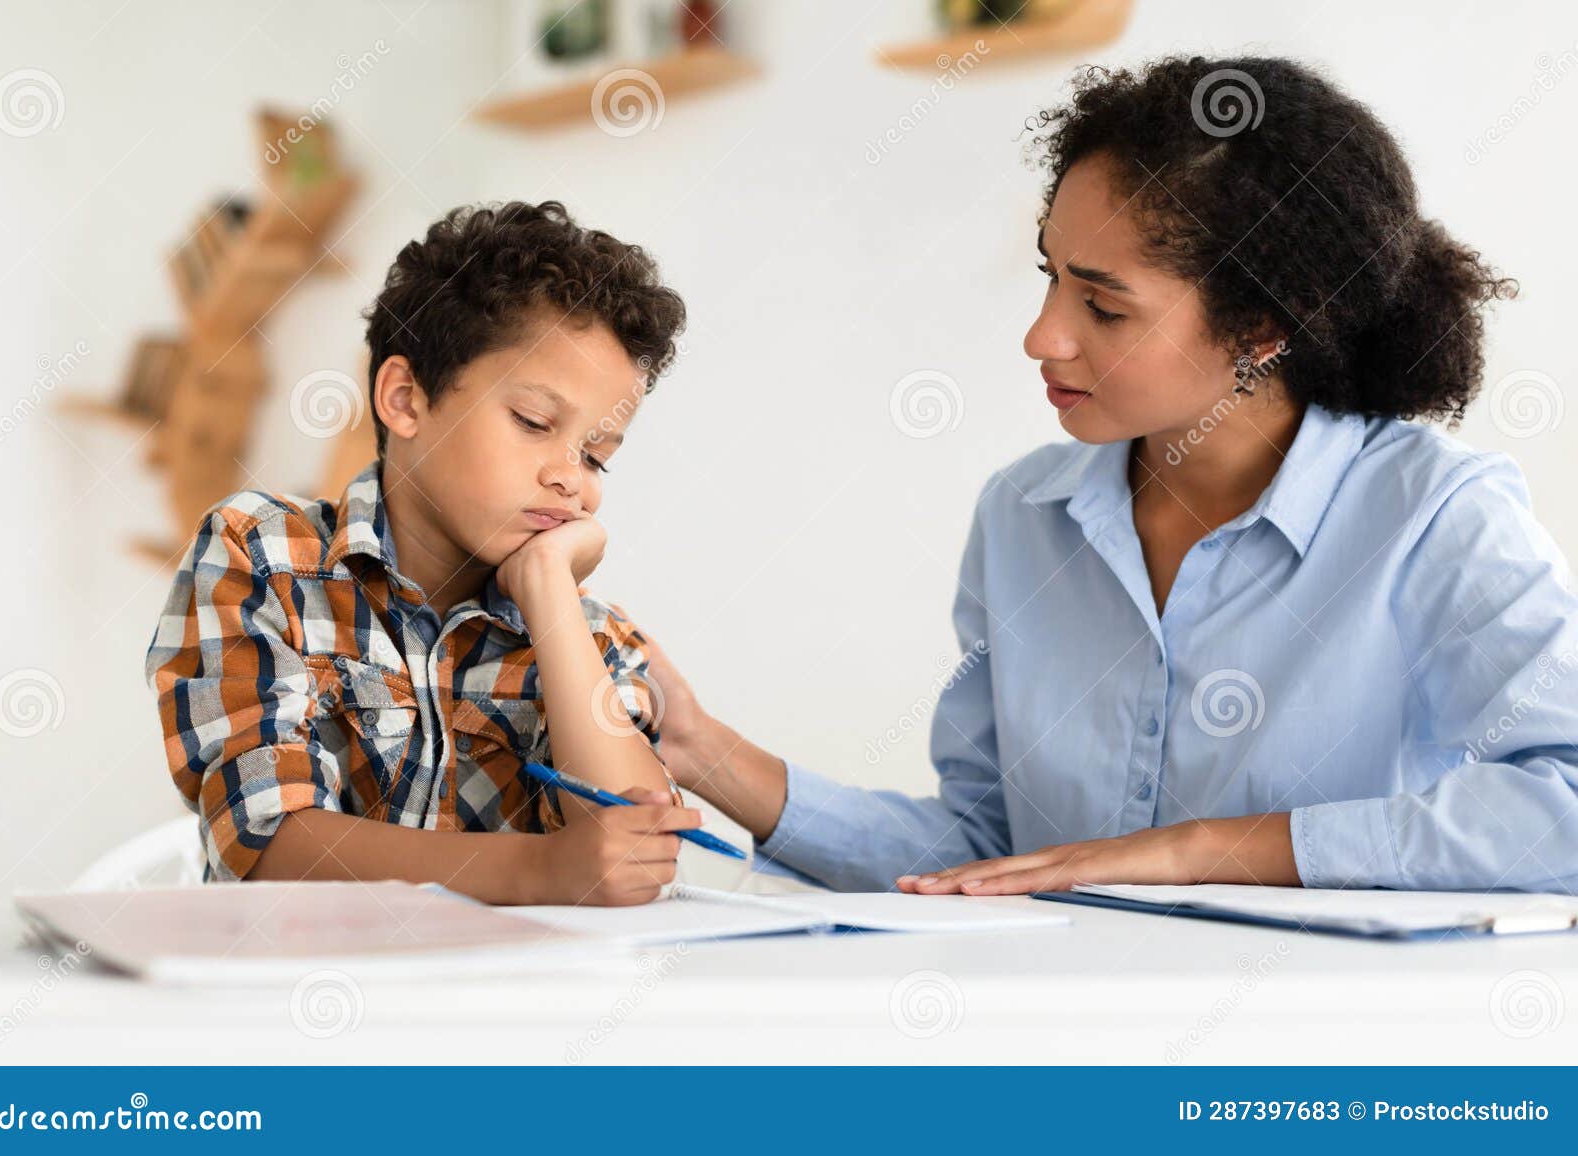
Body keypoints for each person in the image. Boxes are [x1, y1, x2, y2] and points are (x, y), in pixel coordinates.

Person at [645, 56, 1578, 896]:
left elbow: (1563, 809)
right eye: (1049, 277)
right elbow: (988, 848)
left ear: (1260, 331)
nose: (1042, 337)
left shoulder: (1433, 515)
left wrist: (1203, 849)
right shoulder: (1024, 515)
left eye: (1102, 305)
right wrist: (703, 750)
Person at [146, 201, 702, 906]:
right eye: (534, 423)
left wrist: (552, 601)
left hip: (510, 1003)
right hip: (287, 997)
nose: (571, 477)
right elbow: (267, 840)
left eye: (597, 457)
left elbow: (636, 854)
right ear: (405, 399)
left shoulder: (583, 633)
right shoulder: (263, 555)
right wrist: (538, 870)